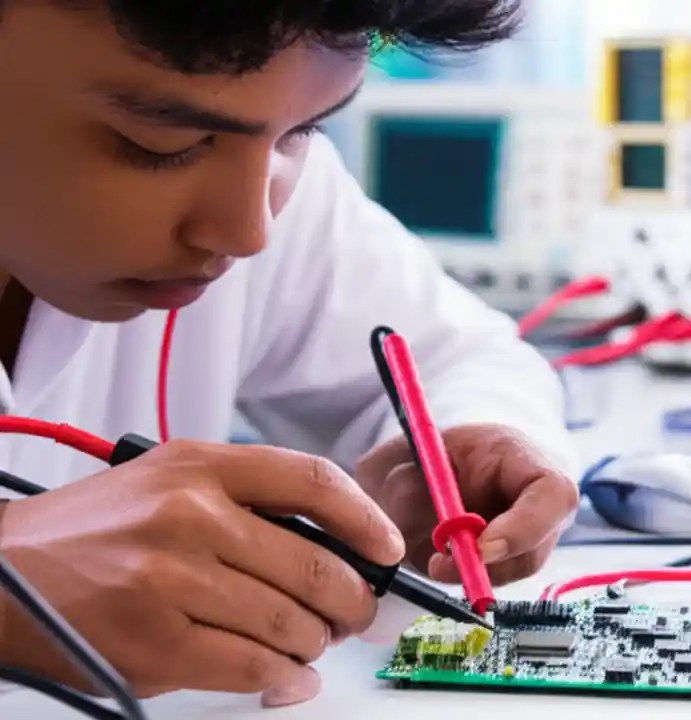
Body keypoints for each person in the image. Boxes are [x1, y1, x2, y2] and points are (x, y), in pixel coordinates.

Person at [0, 0, 581, 709]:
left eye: (303, 130)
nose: (250, 232)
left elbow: (463, 360)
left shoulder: (267, 176)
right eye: (161, 143)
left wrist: (466, 448)